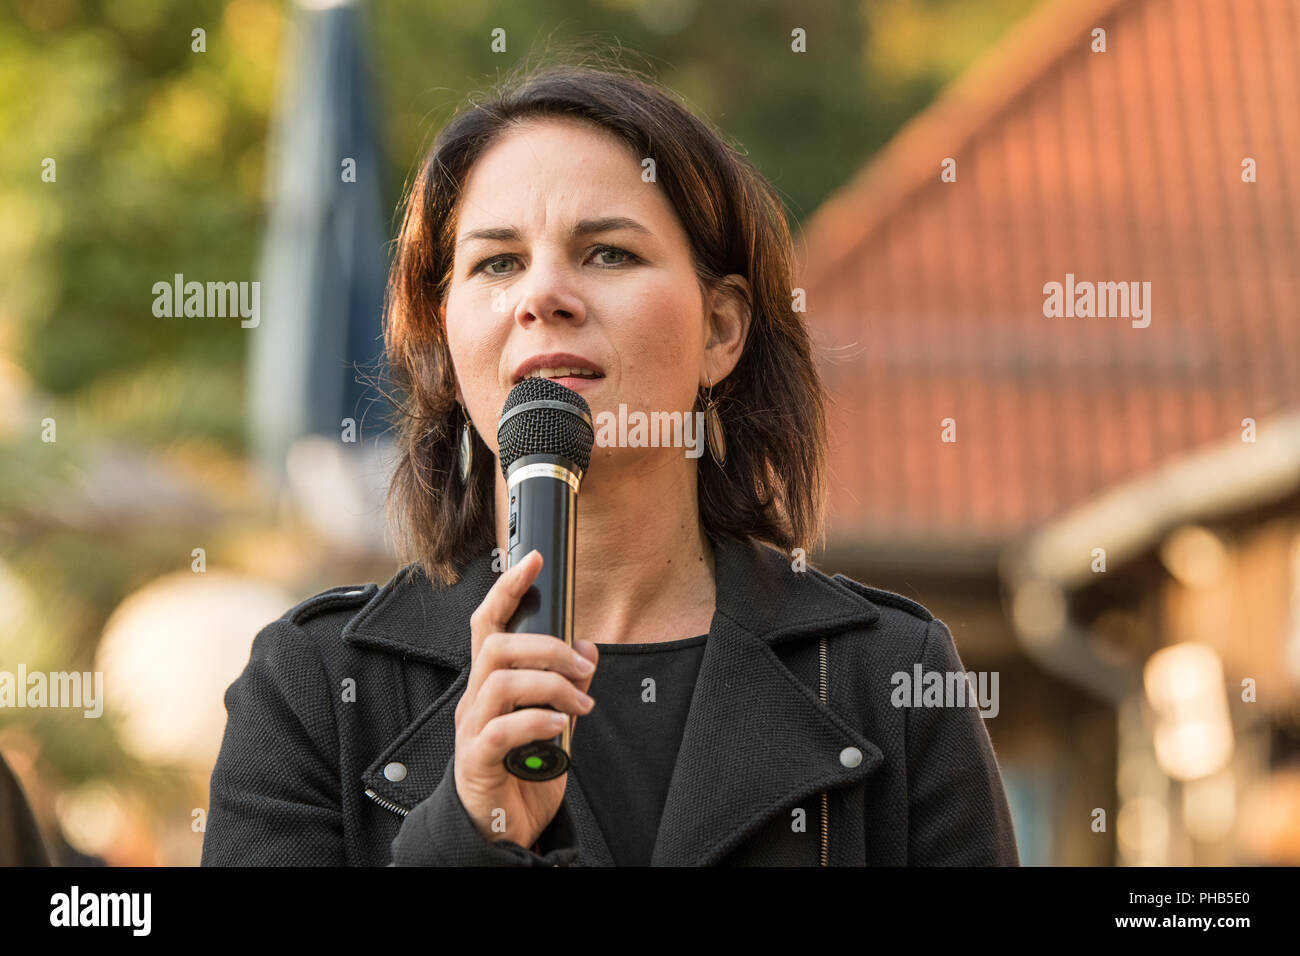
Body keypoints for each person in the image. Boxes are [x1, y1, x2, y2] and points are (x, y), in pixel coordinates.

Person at [202, 58, 1019, 867]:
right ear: (444, 347)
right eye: (497, 263)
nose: (544, 295)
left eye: (608, 254)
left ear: (720, 331)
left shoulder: (890, 677)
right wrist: (464, 837)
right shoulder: (315, 687)